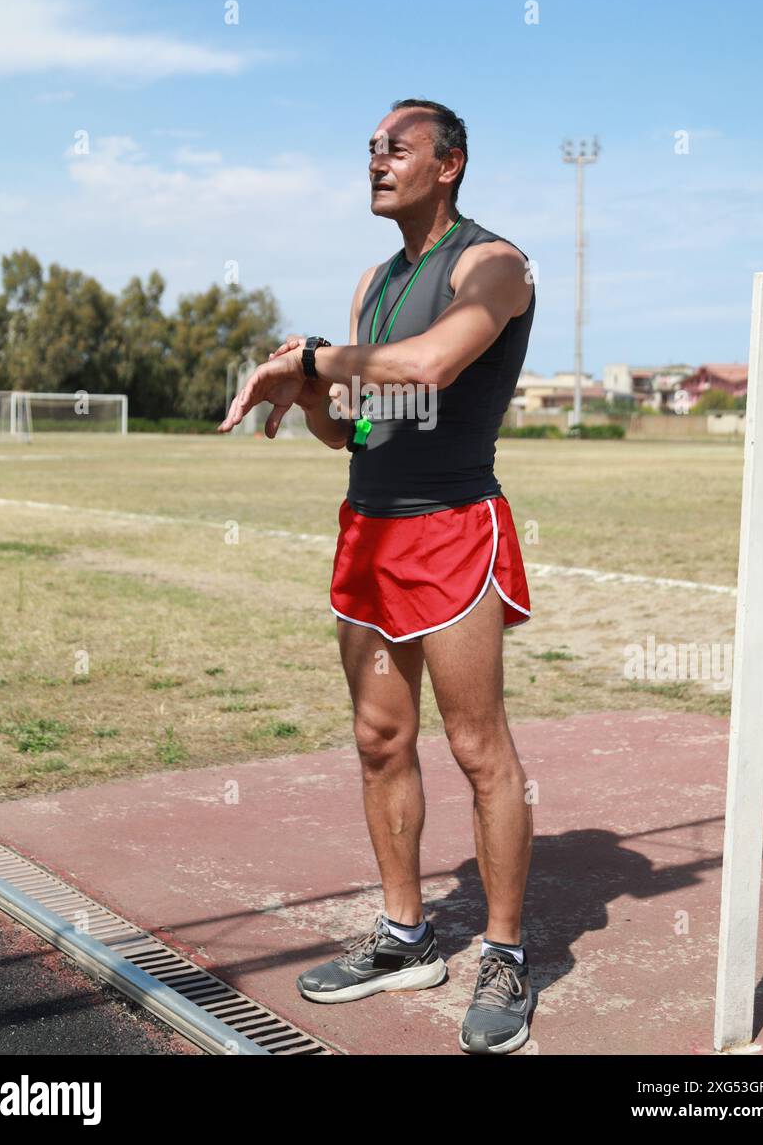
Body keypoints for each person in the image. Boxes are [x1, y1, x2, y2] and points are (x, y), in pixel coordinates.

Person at [219, 99, 537, 1054]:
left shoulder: (495, 264)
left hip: (452, 526)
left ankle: (508, 955)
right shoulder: (374, 279)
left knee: (479, 748)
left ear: (450, 164)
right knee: (378, 740)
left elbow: (432, 368)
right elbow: (354, 423)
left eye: (396, 148)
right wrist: (309, 387)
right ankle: (407, 936)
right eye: (369, 149)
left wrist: (319, 358)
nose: (376, 161)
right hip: (370, 530)